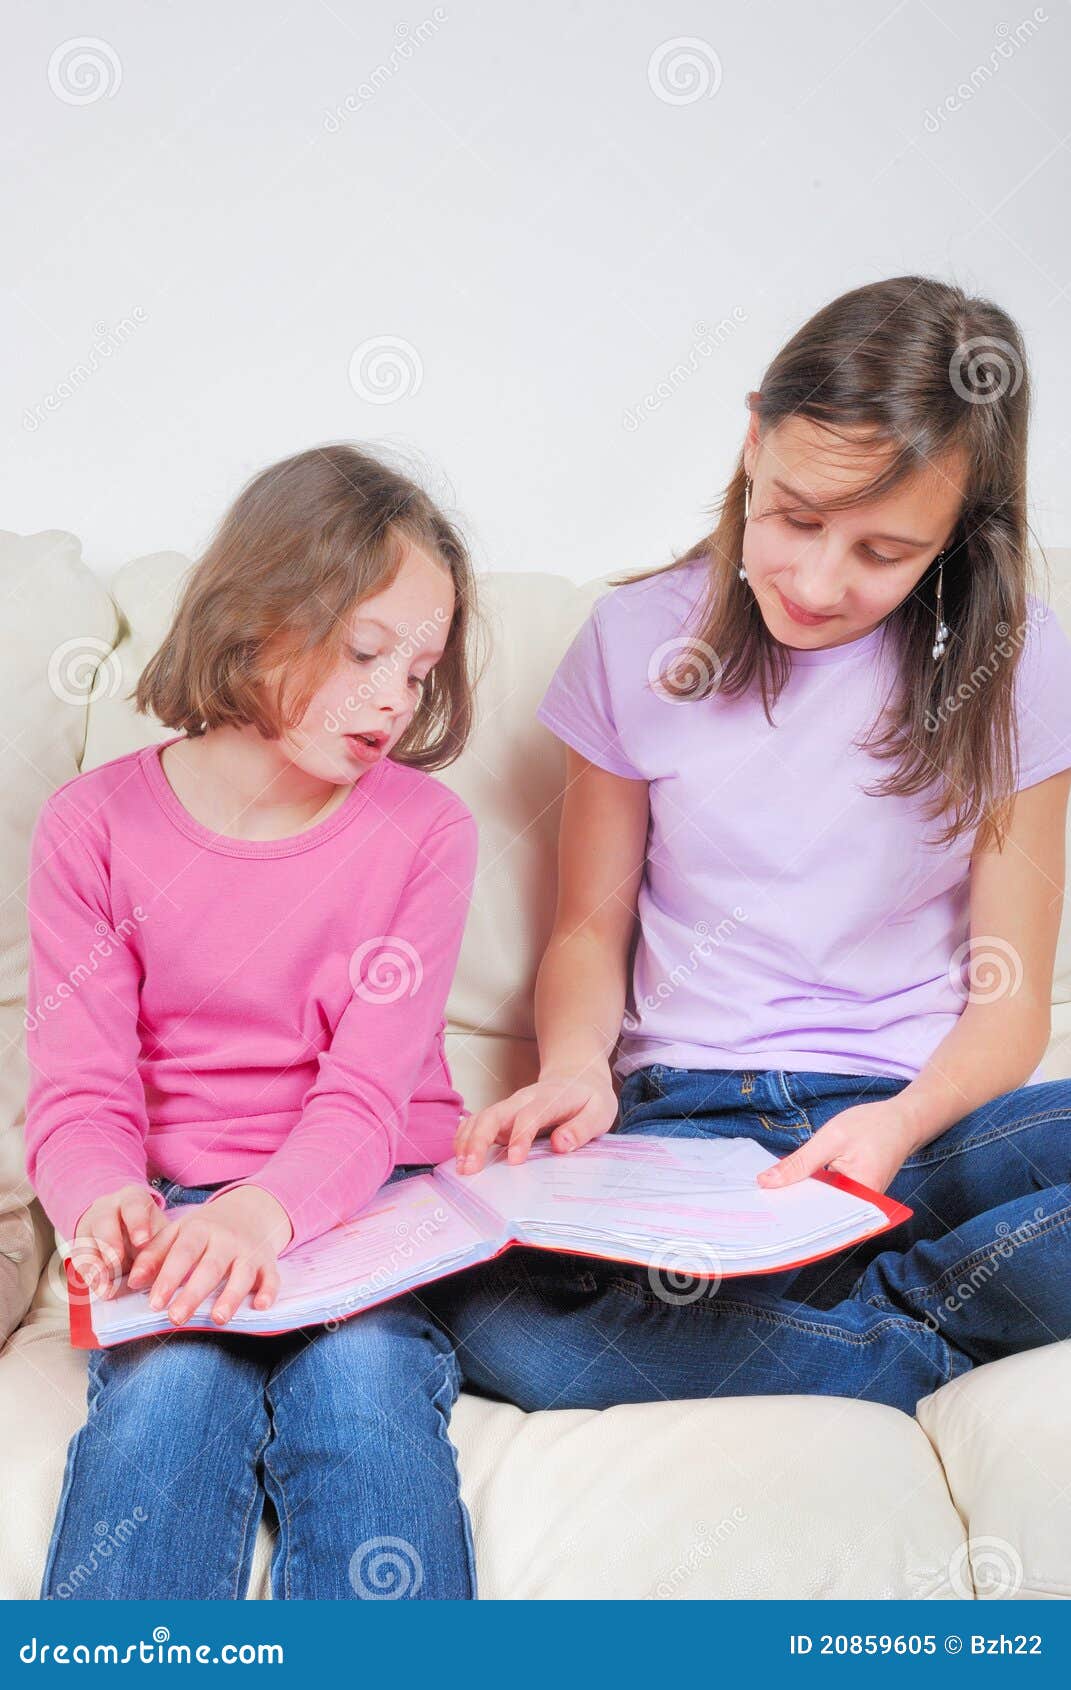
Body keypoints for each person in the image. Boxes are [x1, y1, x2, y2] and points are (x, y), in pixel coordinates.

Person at [443, 275, 1071, 1418]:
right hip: (691, 1126)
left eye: (885, 550)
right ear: (752, 438)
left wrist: (896, 1125)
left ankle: (845, 1305)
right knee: (502, 1325)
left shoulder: (1017, 659)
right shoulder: (636, 639)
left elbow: (1011, 999)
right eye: (796, 517)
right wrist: (574, 1068)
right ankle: (919, 1324)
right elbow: (587, 929)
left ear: (961, 529)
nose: (819, 583)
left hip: (913, 1125)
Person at [27, 444, 485, 1599]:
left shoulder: (426, 831)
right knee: (166, 1400)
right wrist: (102, 1201)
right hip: (178, 1210)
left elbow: (367, 1099)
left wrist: (263, 1213)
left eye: (419, 670)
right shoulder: (92, 826)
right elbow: (80, 1094)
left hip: (369, 1195)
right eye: (367, 652)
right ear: (257, 615)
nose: (396, 697)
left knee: (368, 1392)